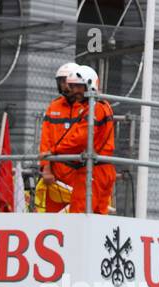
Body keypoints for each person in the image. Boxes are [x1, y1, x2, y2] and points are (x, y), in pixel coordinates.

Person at [51, 65, 116, 215]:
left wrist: (54, 151)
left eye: (78, 87)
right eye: (72, 87)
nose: (74, 91)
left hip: (94, 169)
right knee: (99, 214)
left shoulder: (96, 108)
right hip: (102, 168)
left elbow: (81, 138)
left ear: (89, 84)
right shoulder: (101, 106)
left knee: (79, 213)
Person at [37, 61, 80, 213]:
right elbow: (46, 141)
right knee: (54, 219)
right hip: (56, 178)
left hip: (79, 175)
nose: (64, 86)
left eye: (66, 81)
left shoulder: (88, 107)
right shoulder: (54, 107)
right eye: (61, 82)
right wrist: (46, 168)